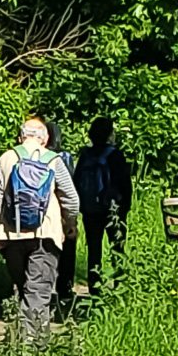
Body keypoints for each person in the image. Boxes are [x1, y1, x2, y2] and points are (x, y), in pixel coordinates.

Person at [0, 118, 80, 348]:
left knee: (25, 288)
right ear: (45, 139)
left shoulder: (6, 158)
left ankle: (24, 341)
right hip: (46, 236)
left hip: (12, 236)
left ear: (20, 137)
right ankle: (34, 347)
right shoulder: (54, 160)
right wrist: (70, 225)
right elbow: (72, 200)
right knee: (39, 291)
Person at [75, 117, 134, 296]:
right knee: (117, 248)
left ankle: (94, 289)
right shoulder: (114, 155)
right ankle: (120, 287)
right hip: (113, 210)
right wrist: (125, 207)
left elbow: (76, 182)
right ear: (109, 134)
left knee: (94, 250)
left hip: (90, 210)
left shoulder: (85, 154)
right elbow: (125, 184)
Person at [43, 117, 79, 297]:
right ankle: (65, 286)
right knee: (68, 245)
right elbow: (70, 182)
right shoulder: (64, 156)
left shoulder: (37, 155)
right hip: (62, 207)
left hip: (43, 208)